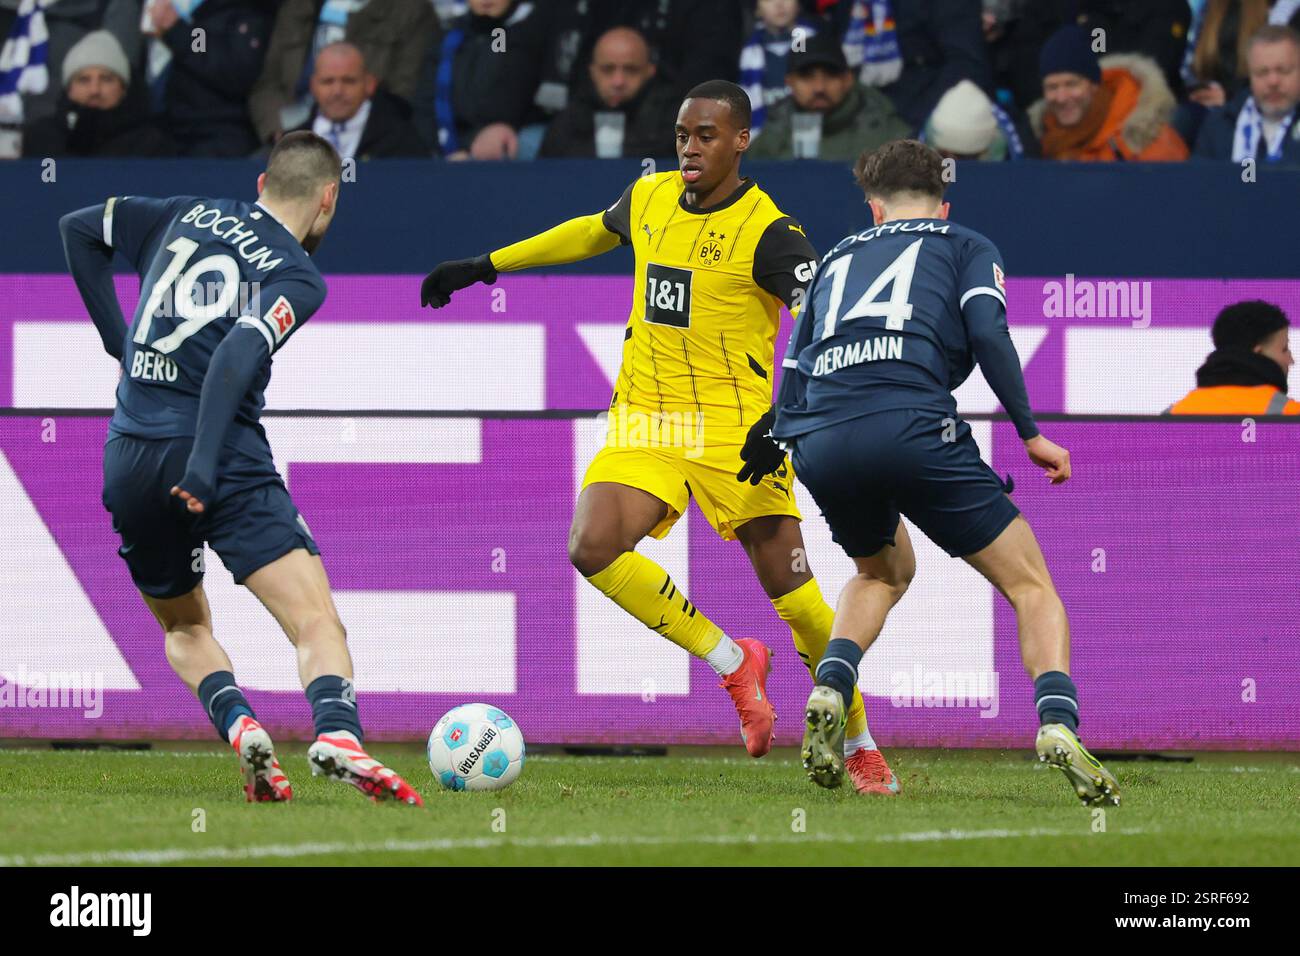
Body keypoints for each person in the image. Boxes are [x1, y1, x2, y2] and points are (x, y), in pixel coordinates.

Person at [421, 80, 899, 796]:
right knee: (591, 544)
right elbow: (590, 229)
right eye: (682, 135)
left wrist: (788, 415)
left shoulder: (771, 232)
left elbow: (823, 316)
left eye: (707, 135)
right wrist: (489, 265)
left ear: (741, 140)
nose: (690, 149)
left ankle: (858, 740)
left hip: (738, 435)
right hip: (646, 417)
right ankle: (732, 662)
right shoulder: (648, 200)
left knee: (797, 601)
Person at [58, 132, 423, 807]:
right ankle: (338, 734)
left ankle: (240, 724)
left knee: (185, 627)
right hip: (222, 456)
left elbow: (77, 229)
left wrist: (117, 337)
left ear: (261, 184)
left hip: (131, 454)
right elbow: (233, 357)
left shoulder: (182, 212)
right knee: (316, 622)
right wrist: (201, 466)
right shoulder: (296, 275)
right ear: (327, 200)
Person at [754, 139, 1120, 807]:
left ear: (873, 209)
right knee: (1030, 583)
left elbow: (797, 366)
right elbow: (988, 333)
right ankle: (1057, 725)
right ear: (942, 204)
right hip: (912, 423)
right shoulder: (964, 244)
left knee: (881, 571)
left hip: (821, 436)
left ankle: (831, 685)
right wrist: (1030, 432)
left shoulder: (833, 258)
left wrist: (777, 434)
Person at [1031, 23, 1188, 161]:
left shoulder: (1145, 137)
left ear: (1094, 84)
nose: (1061, 97)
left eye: (1072, 84)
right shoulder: (1039, 141)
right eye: (1052, 87)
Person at [747, 32, 912, 161]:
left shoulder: (889, 134)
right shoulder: (774, 133)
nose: (819, 87)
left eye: (830, 75)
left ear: (847, 80)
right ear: (790, 82)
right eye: (807, 76)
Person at [21, 29, 175, 157]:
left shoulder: (150, 144)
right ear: (69, 89)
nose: (94, 90)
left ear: (123, 88)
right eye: (83, 80)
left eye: (106, 79)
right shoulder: (42, 139)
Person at [539, 27, 678, 159]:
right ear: (592, 72)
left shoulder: (675, 122)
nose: (618, 82)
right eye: (607, 69)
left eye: (631, 70)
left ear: (650, 71)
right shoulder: (569, 121)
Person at [292, 42, 428, 160]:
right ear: (313, 86)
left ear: (370, 84)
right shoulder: (288, 147)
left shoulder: (403, 142)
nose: (337, 91)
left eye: (348, 81)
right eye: (328, 82)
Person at [1167, 301, 1299, 414]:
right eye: (1284, 349)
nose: (1291, 360)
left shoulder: (1170, 416)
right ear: (1258, 353)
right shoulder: (1291, 414)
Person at [1194, 25, 1300, 164]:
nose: (1273, 81)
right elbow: (1200, 182)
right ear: (1250, 76)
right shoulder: (1220, 125)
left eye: (1283, 71)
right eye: (1262, 72)